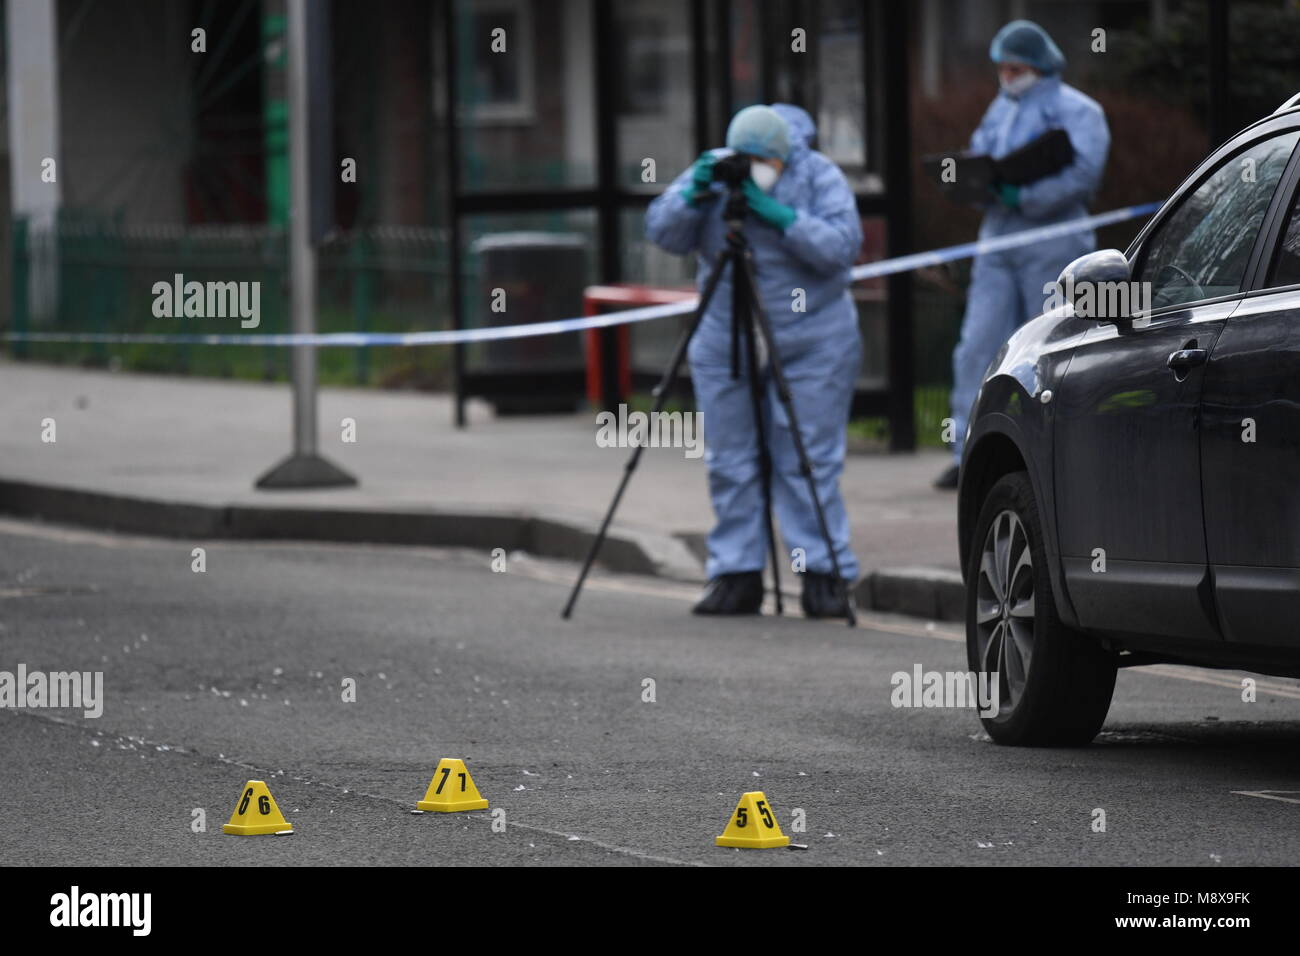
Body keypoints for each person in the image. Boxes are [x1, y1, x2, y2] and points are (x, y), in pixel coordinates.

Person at [645, 103, 863, 617]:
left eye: (766, 160)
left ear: (788, 155)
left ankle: (823, 573)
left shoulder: (818, 175)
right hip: (727, 333)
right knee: (730, 457)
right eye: (747, 158)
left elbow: (840, 248)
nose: (755, 168)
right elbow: (662, 232)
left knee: (807, 458)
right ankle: (736, 572)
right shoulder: (718, 169)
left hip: (812, 336)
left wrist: (785, 219)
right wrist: (694, 195)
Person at [936, 20, 1110, 489]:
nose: (1007, 75)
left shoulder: (1079, 111)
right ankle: (967, 449)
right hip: (997, 240)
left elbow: (1084, 176)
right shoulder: (1001, 108)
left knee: (1052, 347)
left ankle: (1056, 449)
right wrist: (975, 184)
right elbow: (979, 158)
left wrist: (1025, 196)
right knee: (977, 345)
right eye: (1002, 68)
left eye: (1015, 67)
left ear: (1038, 63)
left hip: (1053, 242)